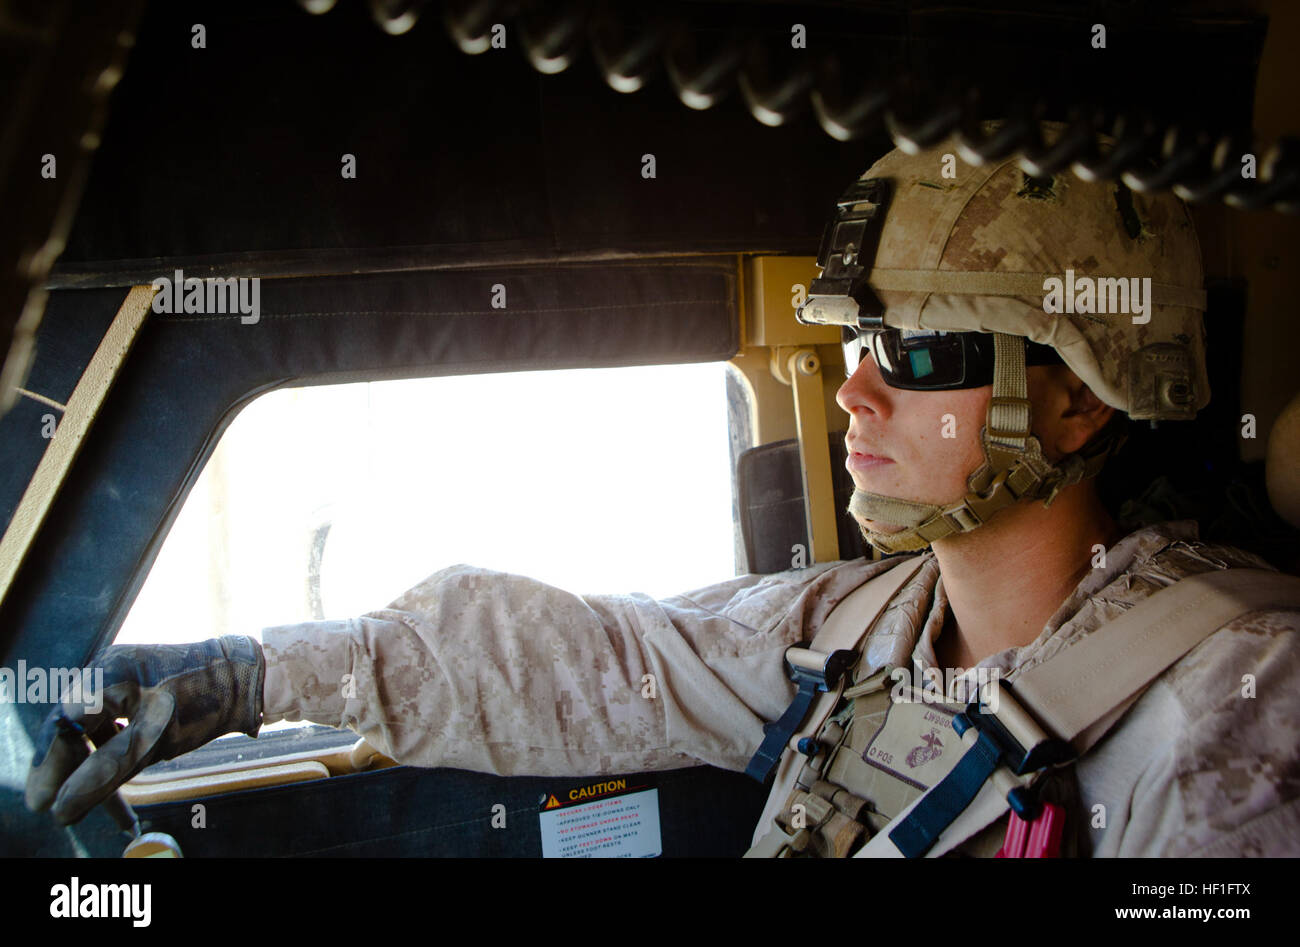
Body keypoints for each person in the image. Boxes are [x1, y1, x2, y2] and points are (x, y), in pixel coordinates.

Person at [25, 127, 1300, 857]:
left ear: (1079, 398)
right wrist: (250, 679)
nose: (855, 393)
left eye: (918, 353)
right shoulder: (864, 627)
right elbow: (598, 657)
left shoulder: (1237, 713)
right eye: (855, 344)